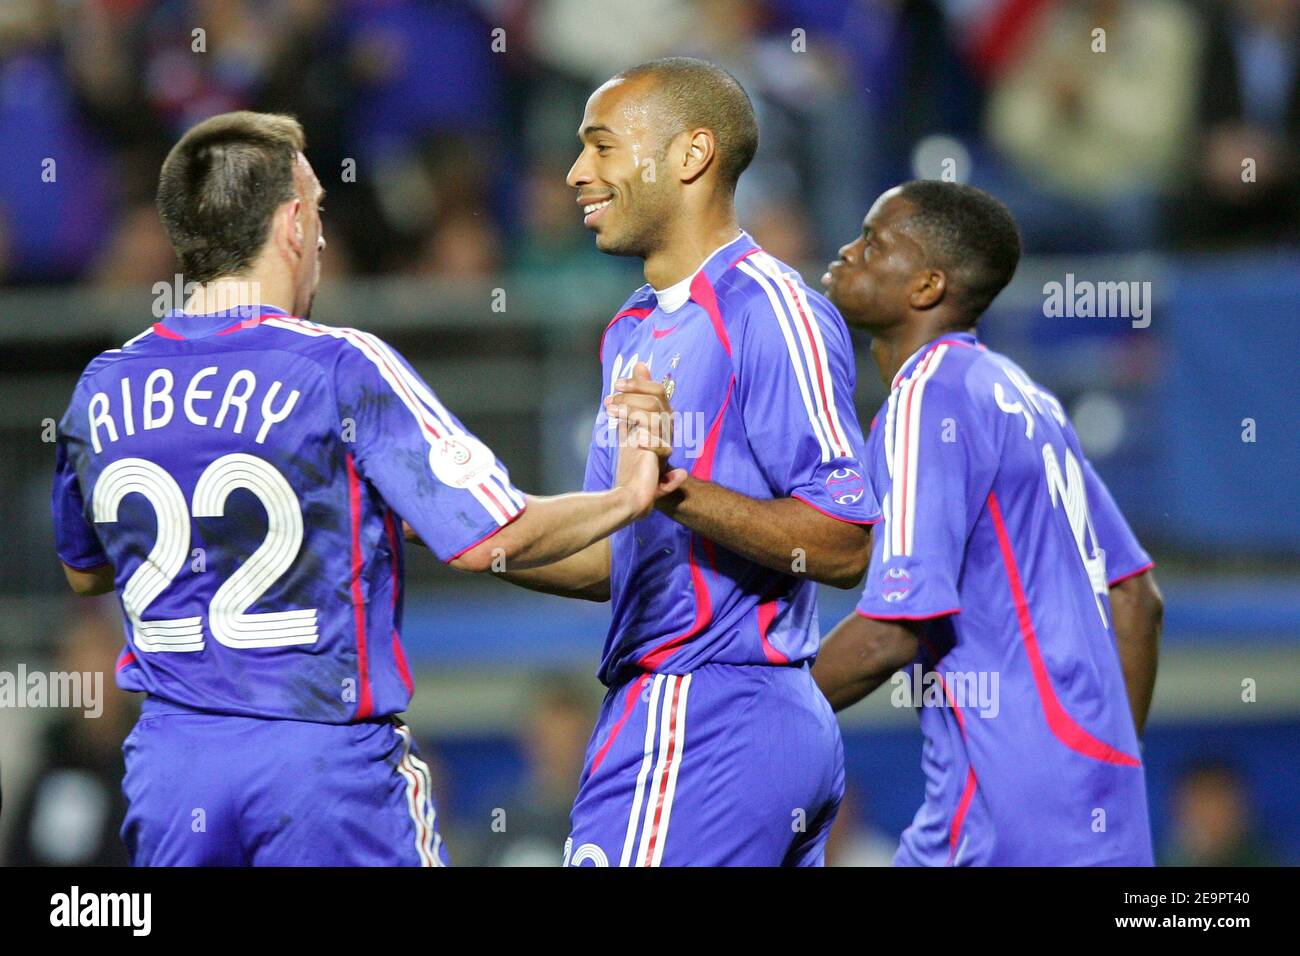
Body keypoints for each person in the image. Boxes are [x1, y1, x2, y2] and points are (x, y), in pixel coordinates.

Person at [50, 111, 669, 867]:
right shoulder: (341, 368)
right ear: (292, 222)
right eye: (318, 209)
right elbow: (491, 537)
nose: (322, 236)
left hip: (173, 771)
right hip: (321, 767)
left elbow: (85, 571)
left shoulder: (101, 389)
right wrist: (626, 495)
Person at [504, 57, 880, 866]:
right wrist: (454, 527)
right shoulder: (631, 328)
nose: (576, 174)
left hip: (707, 713)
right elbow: (615, 555)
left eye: (601, 147)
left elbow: (845, 542)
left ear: (690, 155)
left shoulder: (771, 310)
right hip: (697, 718)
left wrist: (674, 489)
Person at [812, 180, 1164, 866]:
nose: (848, 251)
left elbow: (892, 631)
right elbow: (1137, 601)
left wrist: (748, 714)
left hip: (1003, 819)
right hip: (1100, 811)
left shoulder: (926, 400)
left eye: (874, 242)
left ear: (926, 287)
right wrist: (1100, 766)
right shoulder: (1025, 396)